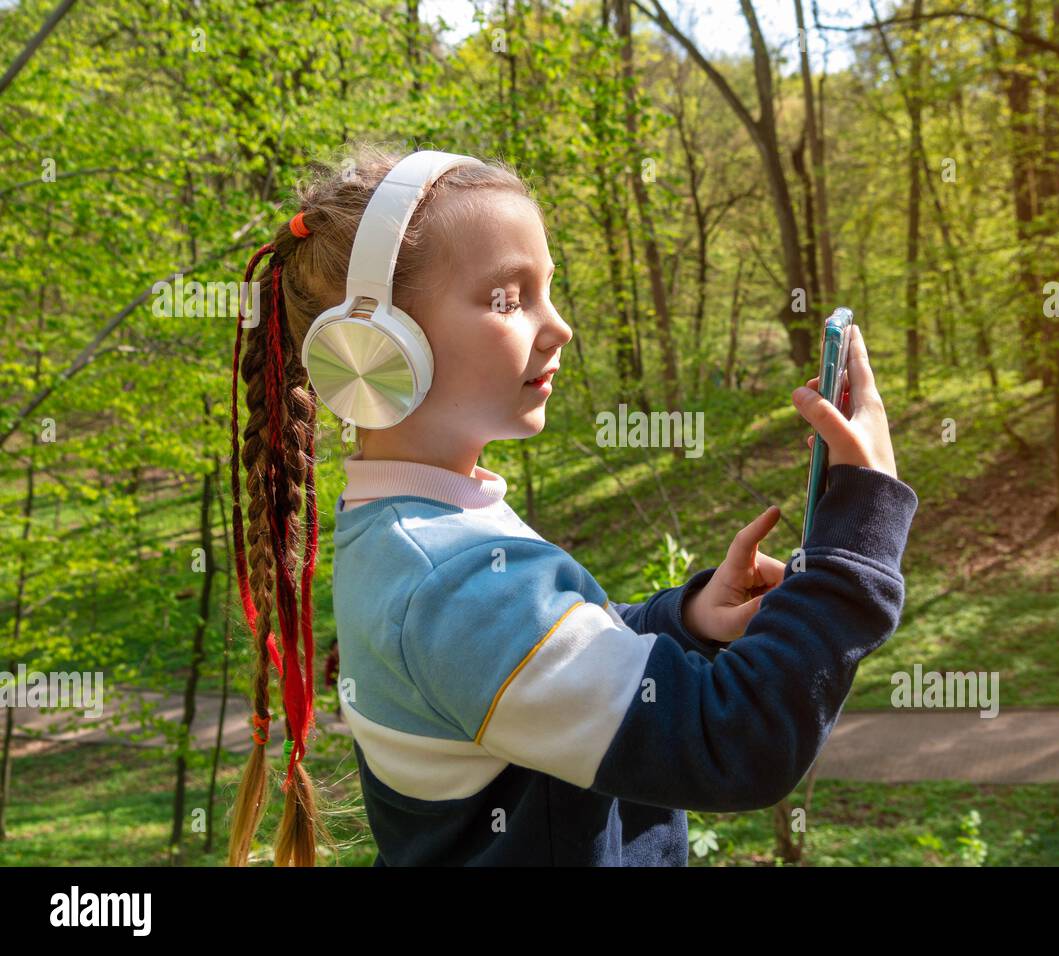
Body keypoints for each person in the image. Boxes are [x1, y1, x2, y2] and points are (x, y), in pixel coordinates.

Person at [227, 143, 918, 867]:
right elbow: (735, 741)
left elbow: (535, 670)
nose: (558, 328)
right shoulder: (452, 579)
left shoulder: (414, 531)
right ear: (375, 342)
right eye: (509, 298)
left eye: (548, 289)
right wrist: (856, 540)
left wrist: (676, 625)